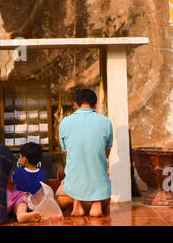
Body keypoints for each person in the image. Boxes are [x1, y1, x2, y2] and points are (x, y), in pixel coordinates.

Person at [58, 88, 114, 217]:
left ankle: (76, 203)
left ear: (76, 105)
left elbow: (67, 153)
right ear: (95, 105)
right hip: (101, 192)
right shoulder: (106, 122)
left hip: (71, 189)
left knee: (59, 196)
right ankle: (97, 204)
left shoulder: (65, 123)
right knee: (98, 171)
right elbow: (105, 154)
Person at [8, 142, 48, 223]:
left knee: (21, 200)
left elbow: (13, 180)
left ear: (24, 159)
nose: (19, 159)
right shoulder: (43, 172)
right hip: (38, 203)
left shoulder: (19, 172)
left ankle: (21, 214)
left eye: (20, 157)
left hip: (24, 203)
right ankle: (35, 214)